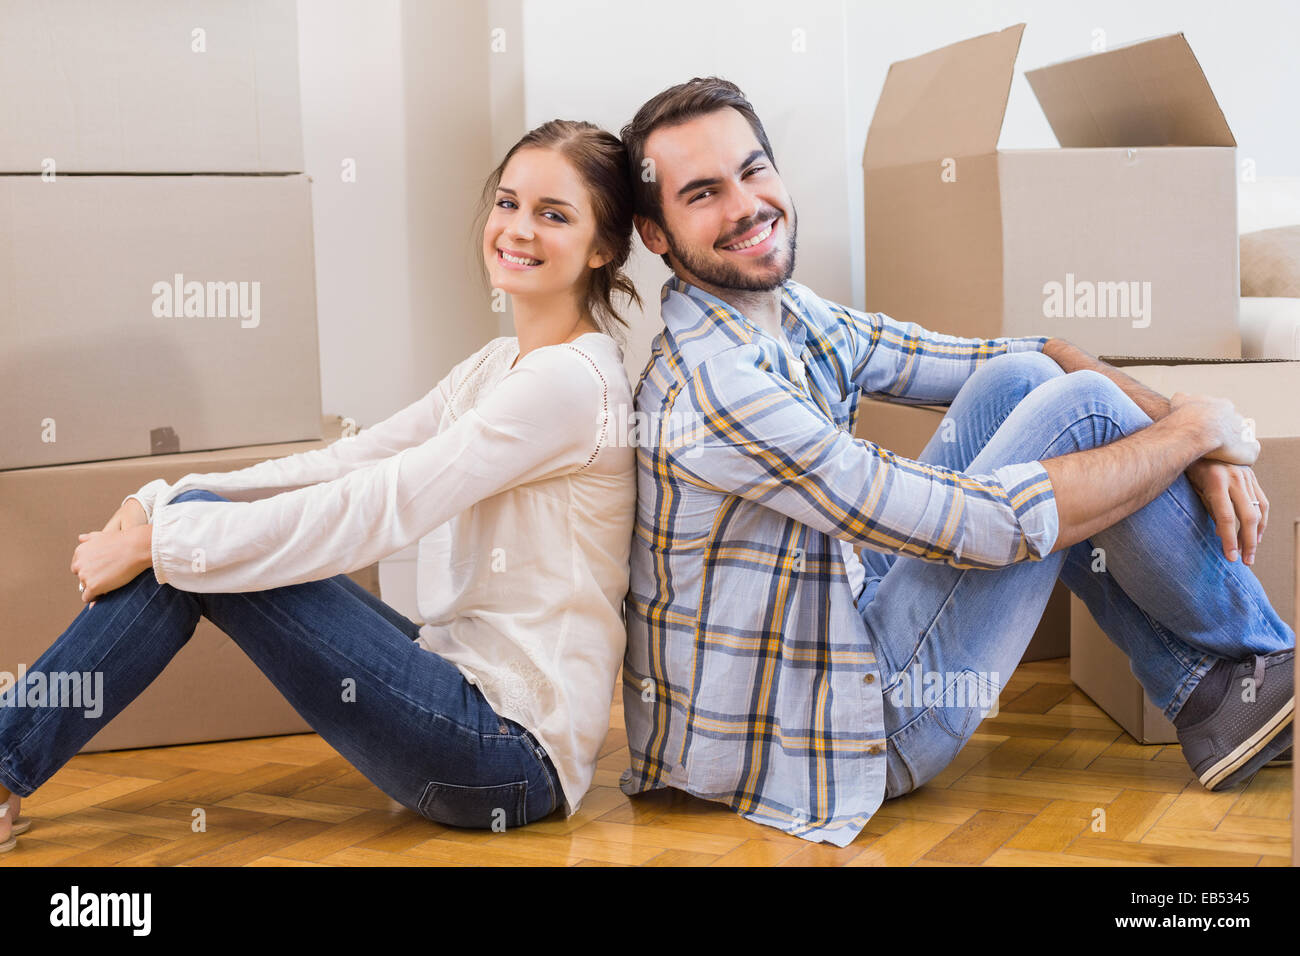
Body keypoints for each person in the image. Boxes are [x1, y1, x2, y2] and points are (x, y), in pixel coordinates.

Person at [616, 77, 1295, 847]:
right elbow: (985, 526)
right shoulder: (717, 385)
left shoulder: (788, 316)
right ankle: (1258, 666)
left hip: (835, 633)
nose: (745, 206)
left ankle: (1217, 694)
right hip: (829, 738)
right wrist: (1192, 431)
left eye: (753, 170)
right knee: (1082, 412)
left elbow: (1027, 351)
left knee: (1025, 383)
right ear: (656, 234)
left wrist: (1188, 428)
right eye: (703, 193)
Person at [0, 119, 641, 852]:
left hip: (506, 757)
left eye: (553, 215)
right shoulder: (503, 363)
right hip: (456, 690)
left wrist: (162, 541)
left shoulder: (567, 384)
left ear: (603, 248)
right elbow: (349, 462)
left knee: (193, 555)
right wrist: (163, 501)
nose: (517, 229)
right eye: (508, 203)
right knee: (192, 537)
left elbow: (384, 505)